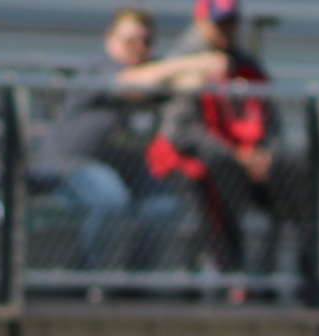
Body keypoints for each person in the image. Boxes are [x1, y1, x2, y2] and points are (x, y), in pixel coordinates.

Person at [148, 0, 319, 304]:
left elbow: (271, 124)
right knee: (220, 167)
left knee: (302, 169)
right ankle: (231, 274)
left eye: (231, 22)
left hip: (249, 163)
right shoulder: (185, 62)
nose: (226, 30)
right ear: (201, 22)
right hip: (203, 167)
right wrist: (236, 155)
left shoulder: (248, 66)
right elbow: (182, 133)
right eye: (219, 23)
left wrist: (266, 154)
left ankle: (315, 275)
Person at [34, 8, 224, 272]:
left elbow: (191, 83)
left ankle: (135, 280)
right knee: (110, 200)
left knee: (166, 206)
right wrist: (193, 62)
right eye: (130, 40)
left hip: (127, 170)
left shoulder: (154, 73)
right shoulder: (99, 67)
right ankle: (86, 277)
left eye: (146, 41)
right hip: (70, 165)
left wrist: (206, 59)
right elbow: (132, 84)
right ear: (110, 39)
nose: (139, 48)